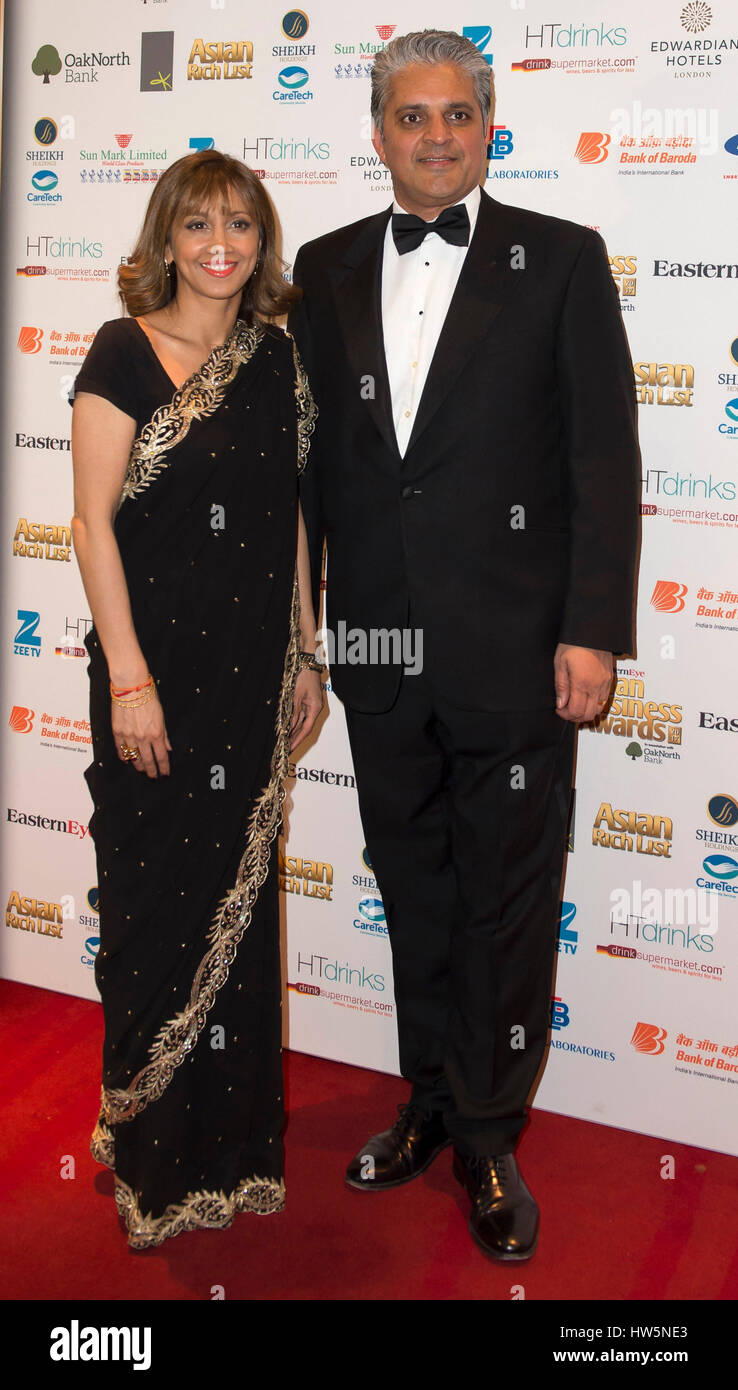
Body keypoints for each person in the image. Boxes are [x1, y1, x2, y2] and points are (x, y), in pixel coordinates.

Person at [289, 30, 639, 1261]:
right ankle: (429, 1100)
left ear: (490, 122)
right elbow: (309, 477)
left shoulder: (561, 260)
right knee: (417, 888)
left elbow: (604, 460)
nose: (436, 134)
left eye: (458, 113)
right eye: (411, 115)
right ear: (377, 132)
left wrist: (593, 630)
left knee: (505, 898)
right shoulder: (321, 273)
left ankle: (490, 1136)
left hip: (516, 648)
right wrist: (306, 638)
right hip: (377, 641)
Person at [71, 149, 323, 1249]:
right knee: (151, 908)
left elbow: (296, 517)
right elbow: (91, 528)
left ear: (261, 240)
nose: (221, 245)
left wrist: (309, 651)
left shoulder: (276, 358)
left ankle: (231, 1152)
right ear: (164, 238)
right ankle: (150, 1146)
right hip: (153, 684)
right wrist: (129, 679)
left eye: (241, 226)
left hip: (250, 680)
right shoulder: (122, 354)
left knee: (240, 909)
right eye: (198, 226)